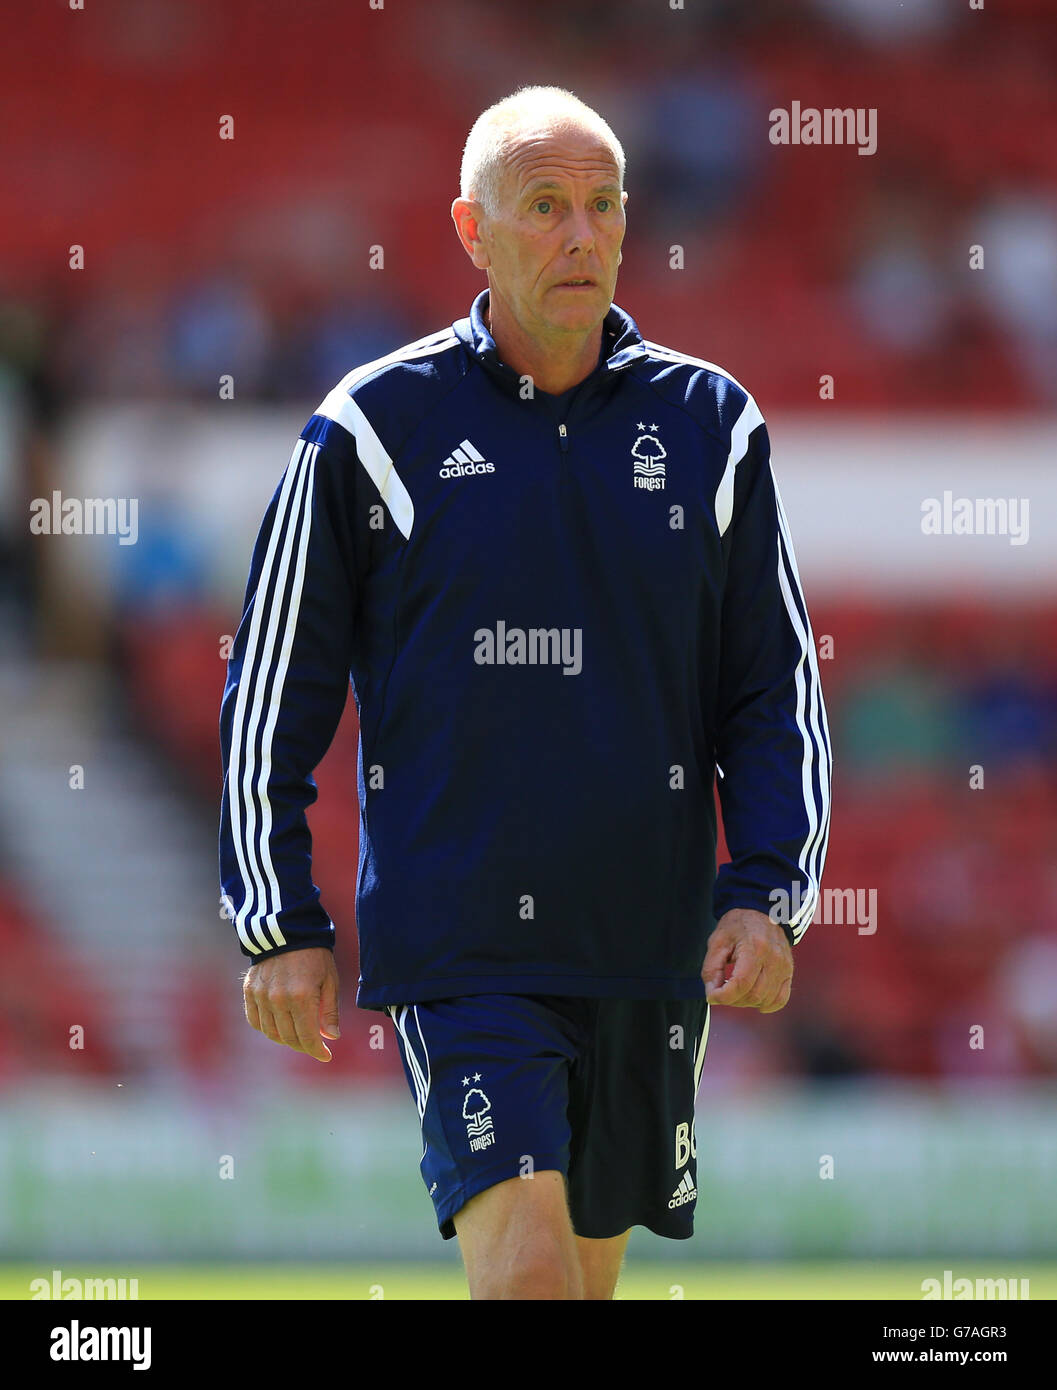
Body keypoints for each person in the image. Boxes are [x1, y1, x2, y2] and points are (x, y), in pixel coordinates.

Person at [219, 85, 832, 1300]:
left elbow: (771, 686)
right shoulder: (370, 430)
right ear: (471, 229)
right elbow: (274, 680)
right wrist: (278, 915)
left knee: (581, 1289)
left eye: (602, 206)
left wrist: (769, 887)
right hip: (466, 945)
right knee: (532, 1282)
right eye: (544, 206)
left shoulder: (713, 425)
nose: (581, 234)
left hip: (647, 950)